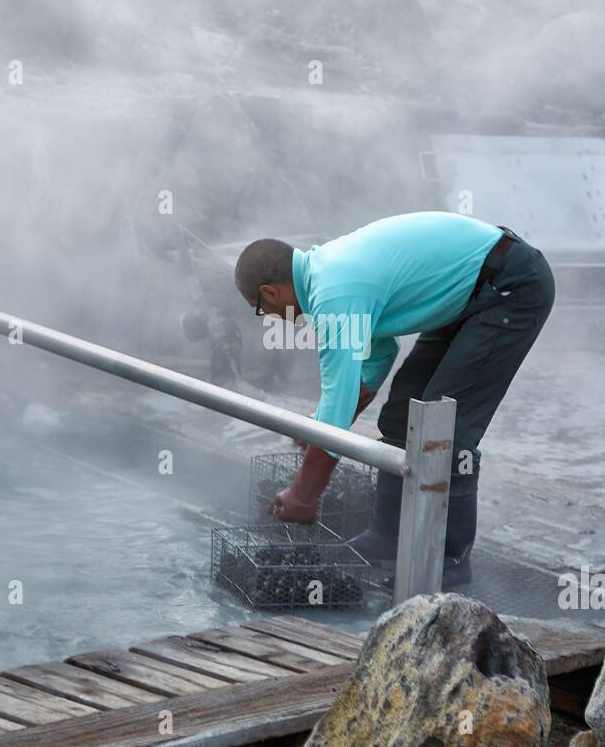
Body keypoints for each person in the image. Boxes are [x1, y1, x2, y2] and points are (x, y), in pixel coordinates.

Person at [233, 211, 555, 587]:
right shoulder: (326, 272)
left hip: (510, 286)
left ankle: (450, 559)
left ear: (271, 292)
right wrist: (322, 426)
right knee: (404, 414)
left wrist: (302, 496)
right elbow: (379, 352)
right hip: (469, 293)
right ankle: (387, 537)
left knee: (443, 425)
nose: (269, 317)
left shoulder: (333, 294)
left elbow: (337, 406)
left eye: (261, 309)